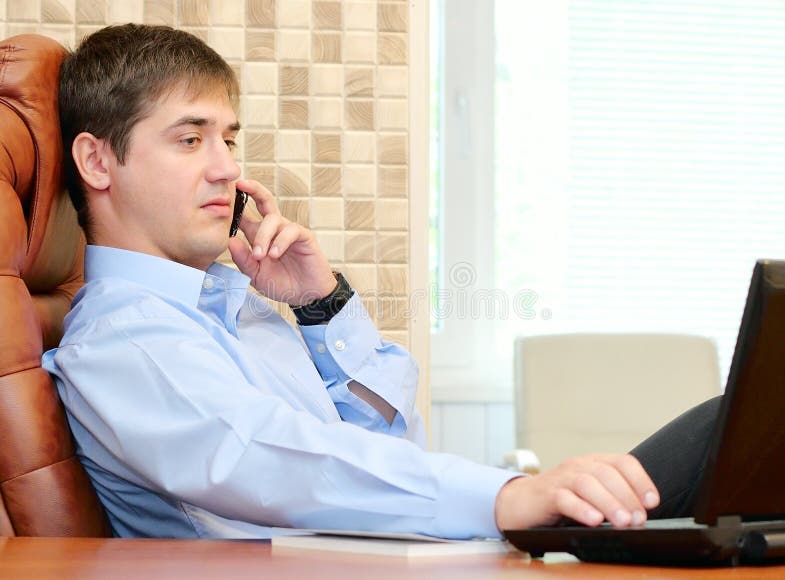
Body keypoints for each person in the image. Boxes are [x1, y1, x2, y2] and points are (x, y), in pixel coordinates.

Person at [43, 23, 716, 539]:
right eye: (191, 140)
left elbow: (388, 449)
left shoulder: (236, 307)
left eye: (229, 138)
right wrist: (506, 497)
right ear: (97, 161)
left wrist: (320, 305)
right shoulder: (122, 338)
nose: (226, 168)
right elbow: (269, 460)